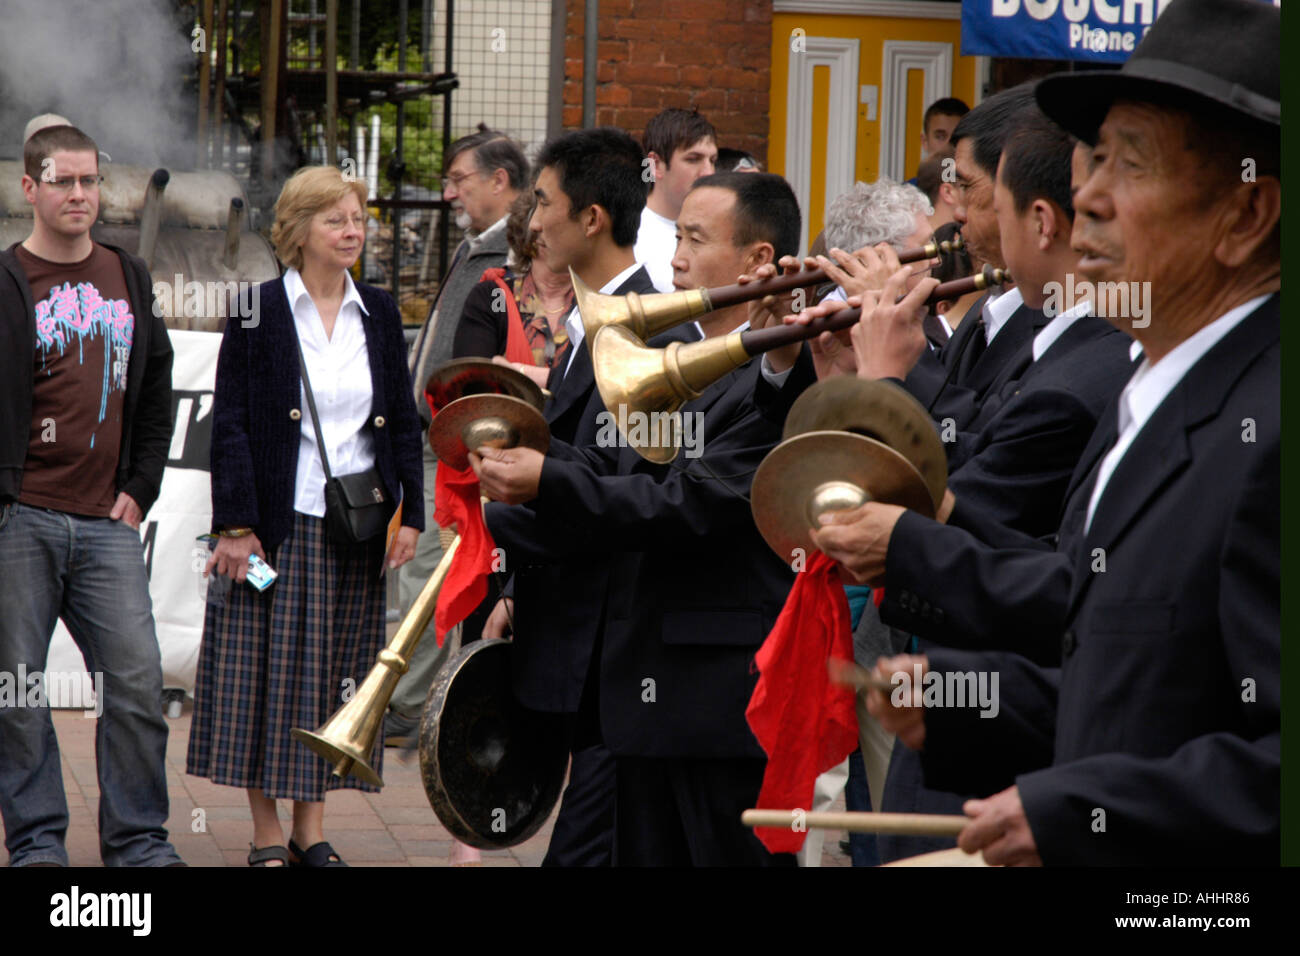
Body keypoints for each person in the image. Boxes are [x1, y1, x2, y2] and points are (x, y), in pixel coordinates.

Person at [847, 0, 1280, 865]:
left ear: (1246, 215)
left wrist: (1080, 809)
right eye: (1092, 162)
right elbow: (1137, 684)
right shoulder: (1156, 392)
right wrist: (970, 700)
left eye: (1131, 165)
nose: (1085, 197)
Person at [478, 172, 806, 866]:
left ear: (758, 261)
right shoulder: (680, 359)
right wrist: (530, 447)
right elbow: (623, 475)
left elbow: (687, 506)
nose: (676, 259)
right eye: (675, 236)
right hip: (643, 688)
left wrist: (546, 481)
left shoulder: (781, 374)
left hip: (718, 698)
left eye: (694, 239)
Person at [186, 166, 425, 867]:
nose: (353, 230)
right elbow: (228, 420)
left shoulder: (379, 311)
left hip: (352, 530)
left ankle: (310, 832)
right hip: (270, 530)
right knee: (261, 670)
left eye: (358, 218)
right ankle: (265, 835)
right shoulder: (258, 308)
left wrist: (408, 511)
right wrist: (235, 525)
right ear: (298, 231)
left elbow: (402, 420)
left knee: (329, 677)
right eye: (336, 220)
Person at [473, 127, 671, 866]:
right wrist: (519, 587)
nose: (531, 223)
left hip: (619, 651)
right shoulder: (591, 320)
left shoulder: (651, 328)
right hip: (578, 638)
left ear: (592, 219)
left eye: (545, 203)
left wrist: (522, 498)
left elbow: (631, 494)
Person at [0, 124, 183, 867]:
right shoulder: (8, 280)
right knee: (16, 692)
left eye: (91, 181)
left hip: (107, 522)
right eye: (63, 180)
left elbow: (158, 387)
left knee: (137, 685)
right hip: (21, 519)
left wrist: (141, 485)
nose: (80, 194)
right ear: (30, 188)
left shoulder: (128, 273)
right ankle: (39, 843)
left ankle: (139, 843)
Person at [392, 127, 529, 744]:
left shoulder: (511, 254)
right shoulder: (482, 245)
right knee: (422, 571)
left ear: (500, 181)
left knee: (426, 574)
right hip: (438, 438)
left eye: (459, 181)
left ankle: (404, 708)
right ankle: (414, 703)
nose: (450, 195)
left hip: (456, 447)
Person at [452, 188, 575, 387]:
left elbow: (603, 387)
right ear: (532, 233)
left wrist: (518, 372)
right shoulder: (493, 298)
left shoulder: (593, 302)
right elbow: (470, 382)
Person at [635, 108, 718, 292]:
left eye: (712, 160)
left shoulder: (721, 230)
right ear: (655, 165)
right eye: (693, 159)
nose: (708, 172)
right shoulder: (630, 233)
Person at [908, 96, 968, 183]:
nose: (949, 145)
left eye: (957, 137)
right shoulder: (908, 193)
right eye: (940, 137)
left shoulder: (982, 193)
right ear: (925, 142)